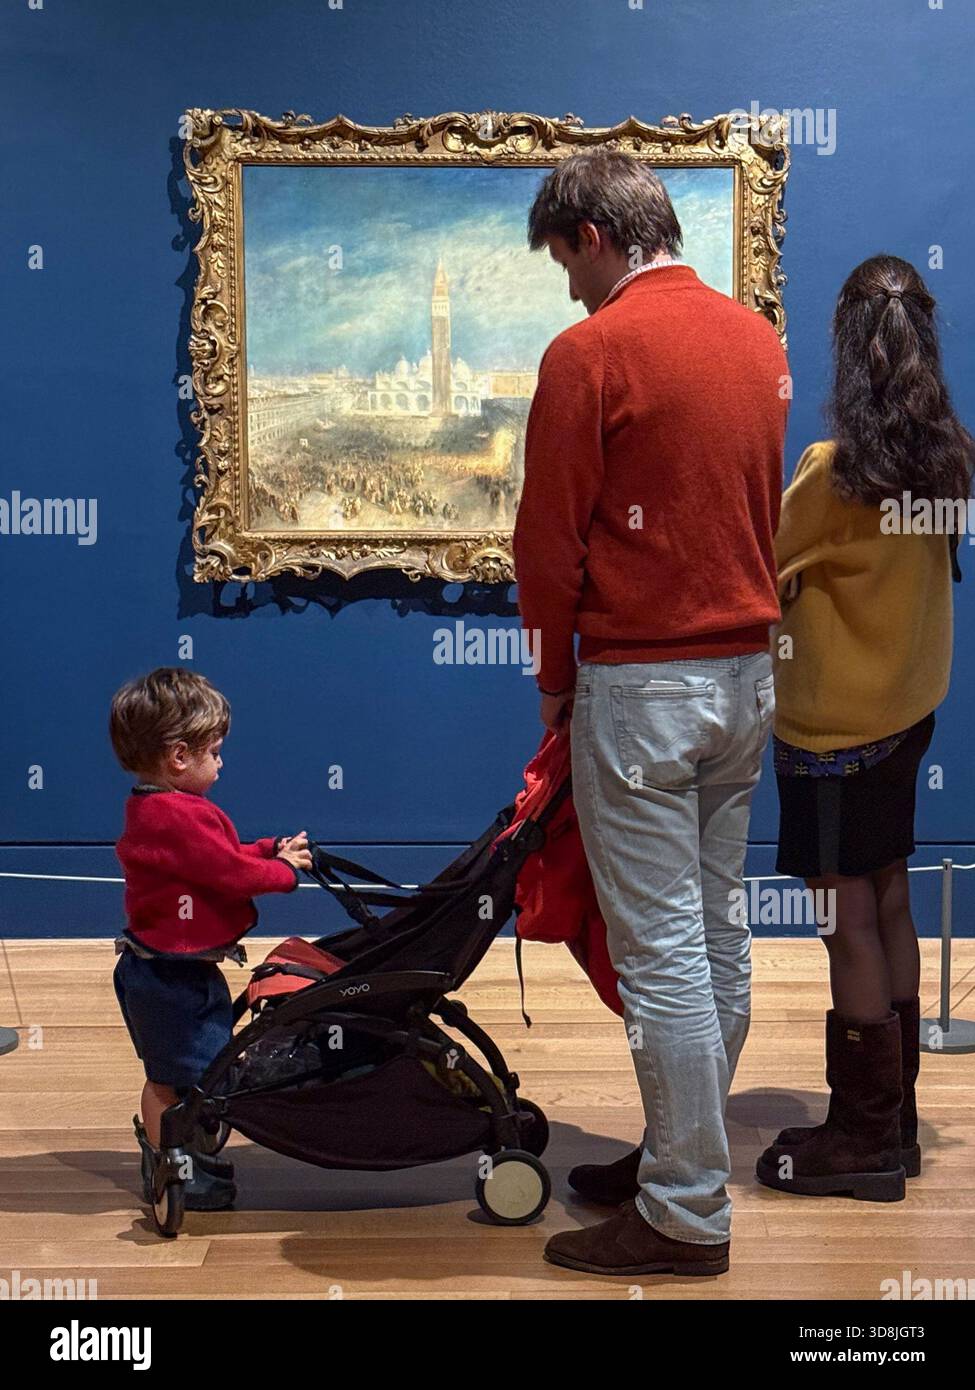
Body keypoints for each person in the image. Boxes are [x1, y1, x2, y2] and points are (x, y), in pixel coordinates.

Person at [512, 150, 789, 1275]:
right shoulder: (754, 340)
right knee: (720, 935)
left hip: (641, 687)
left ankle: (684, 1209)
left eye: (565, 263)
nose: (567, 289)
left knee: (667, 952)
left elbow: (546, 548)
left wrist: (552, 680)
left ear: (591, 233)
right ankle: (684, 1152)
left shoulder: (590, 353)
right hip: (745, 678)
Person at [756, 256, 973, 1202]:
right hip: (907, 716)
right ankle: (895, 1121)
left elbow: (762, 565)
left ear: (848, 344)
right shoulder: (949, 457)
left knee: (843, 917)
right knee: (889, 897)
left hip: (831, 732)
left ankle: (861, 1140)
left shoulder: (833, 472)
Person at [109, 667, 312, 1211]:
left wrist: (268, 848)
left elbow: (219, 858)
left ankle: (181, 1151)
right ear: (179, 757)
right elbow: (228, 873)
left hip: (170, 970)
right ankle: (168, 1161)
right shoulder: (175, 817)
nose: (221, 765)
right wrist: (285, 873)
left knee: (186, 1073)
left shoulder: (163, 810)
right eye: (215, 753)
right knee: (171, 1081)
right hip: (167, 979)